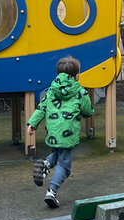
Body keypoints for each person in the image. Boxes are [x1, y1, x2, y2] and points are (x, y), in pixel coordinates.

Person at [27, 55, 94, 208]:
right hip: (67, 133)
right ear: (76, 75)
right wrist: (84, 113)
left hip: (53, 132)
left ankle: (45, 164)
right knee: (65, 166)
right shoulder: (80, 92)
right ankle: (52, 191)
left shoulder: (51, 90)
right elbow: (87, 110)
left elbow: (41, 107)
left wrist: (32, 124)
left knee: (58, 154)